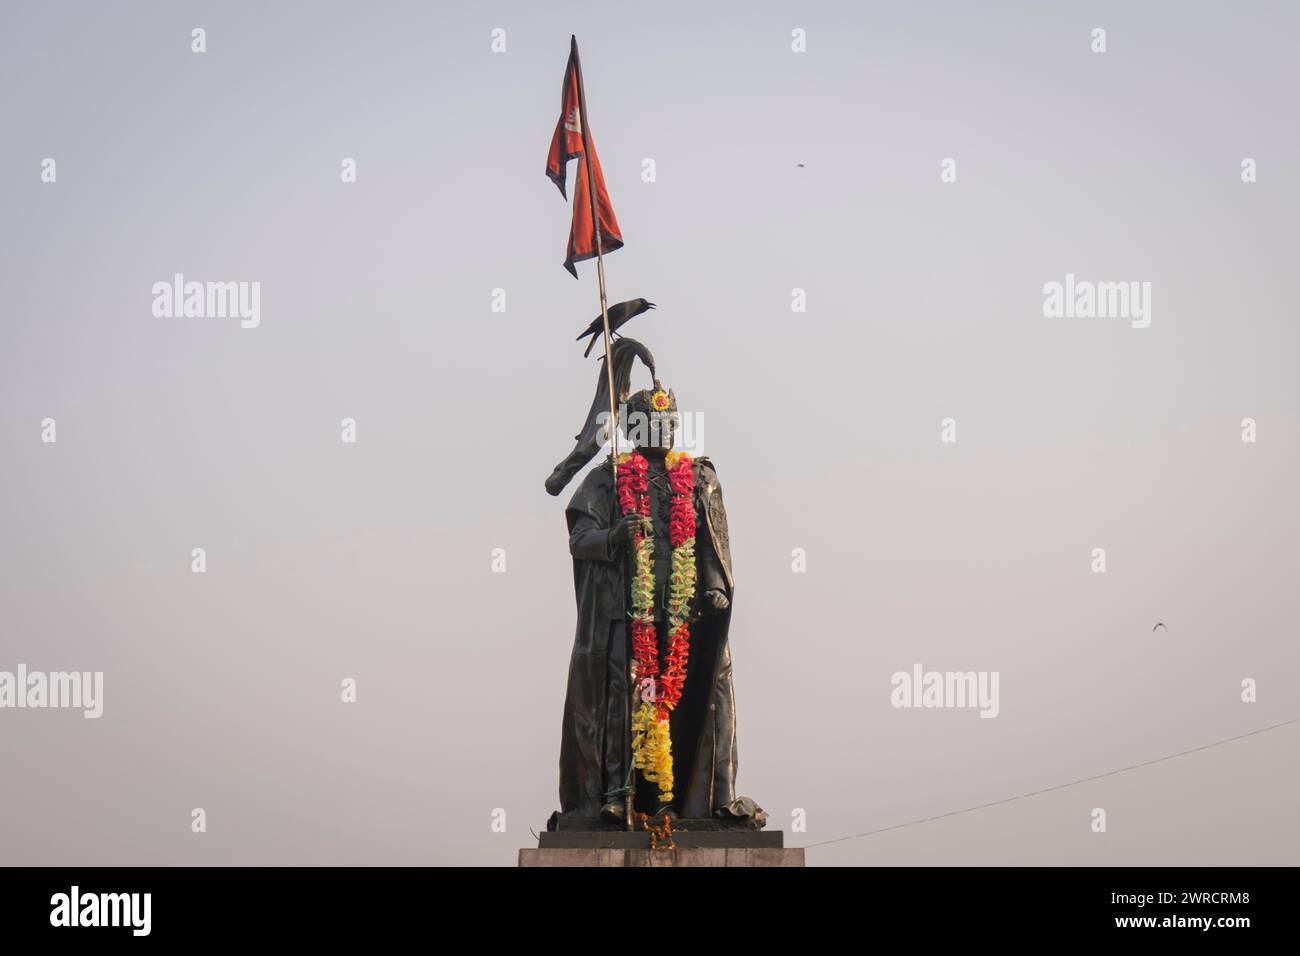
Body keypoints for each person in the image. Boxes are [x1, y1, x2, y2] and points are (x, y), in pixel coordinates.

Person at [555, 382, 763, 827]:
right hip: (626, 615)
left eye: (670, 422)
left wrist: (713, 584)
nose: (664, 430)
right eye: (654, 423)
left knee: (702, 695)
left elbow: (711, 538)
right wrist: (614, 535)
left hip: (686, 612)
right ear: (633, 429)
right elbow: (579, 540)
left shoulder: (698, 476)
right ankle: (617, 797)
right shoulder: (607, 479)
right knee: (623, 704)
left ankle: (707, 798)